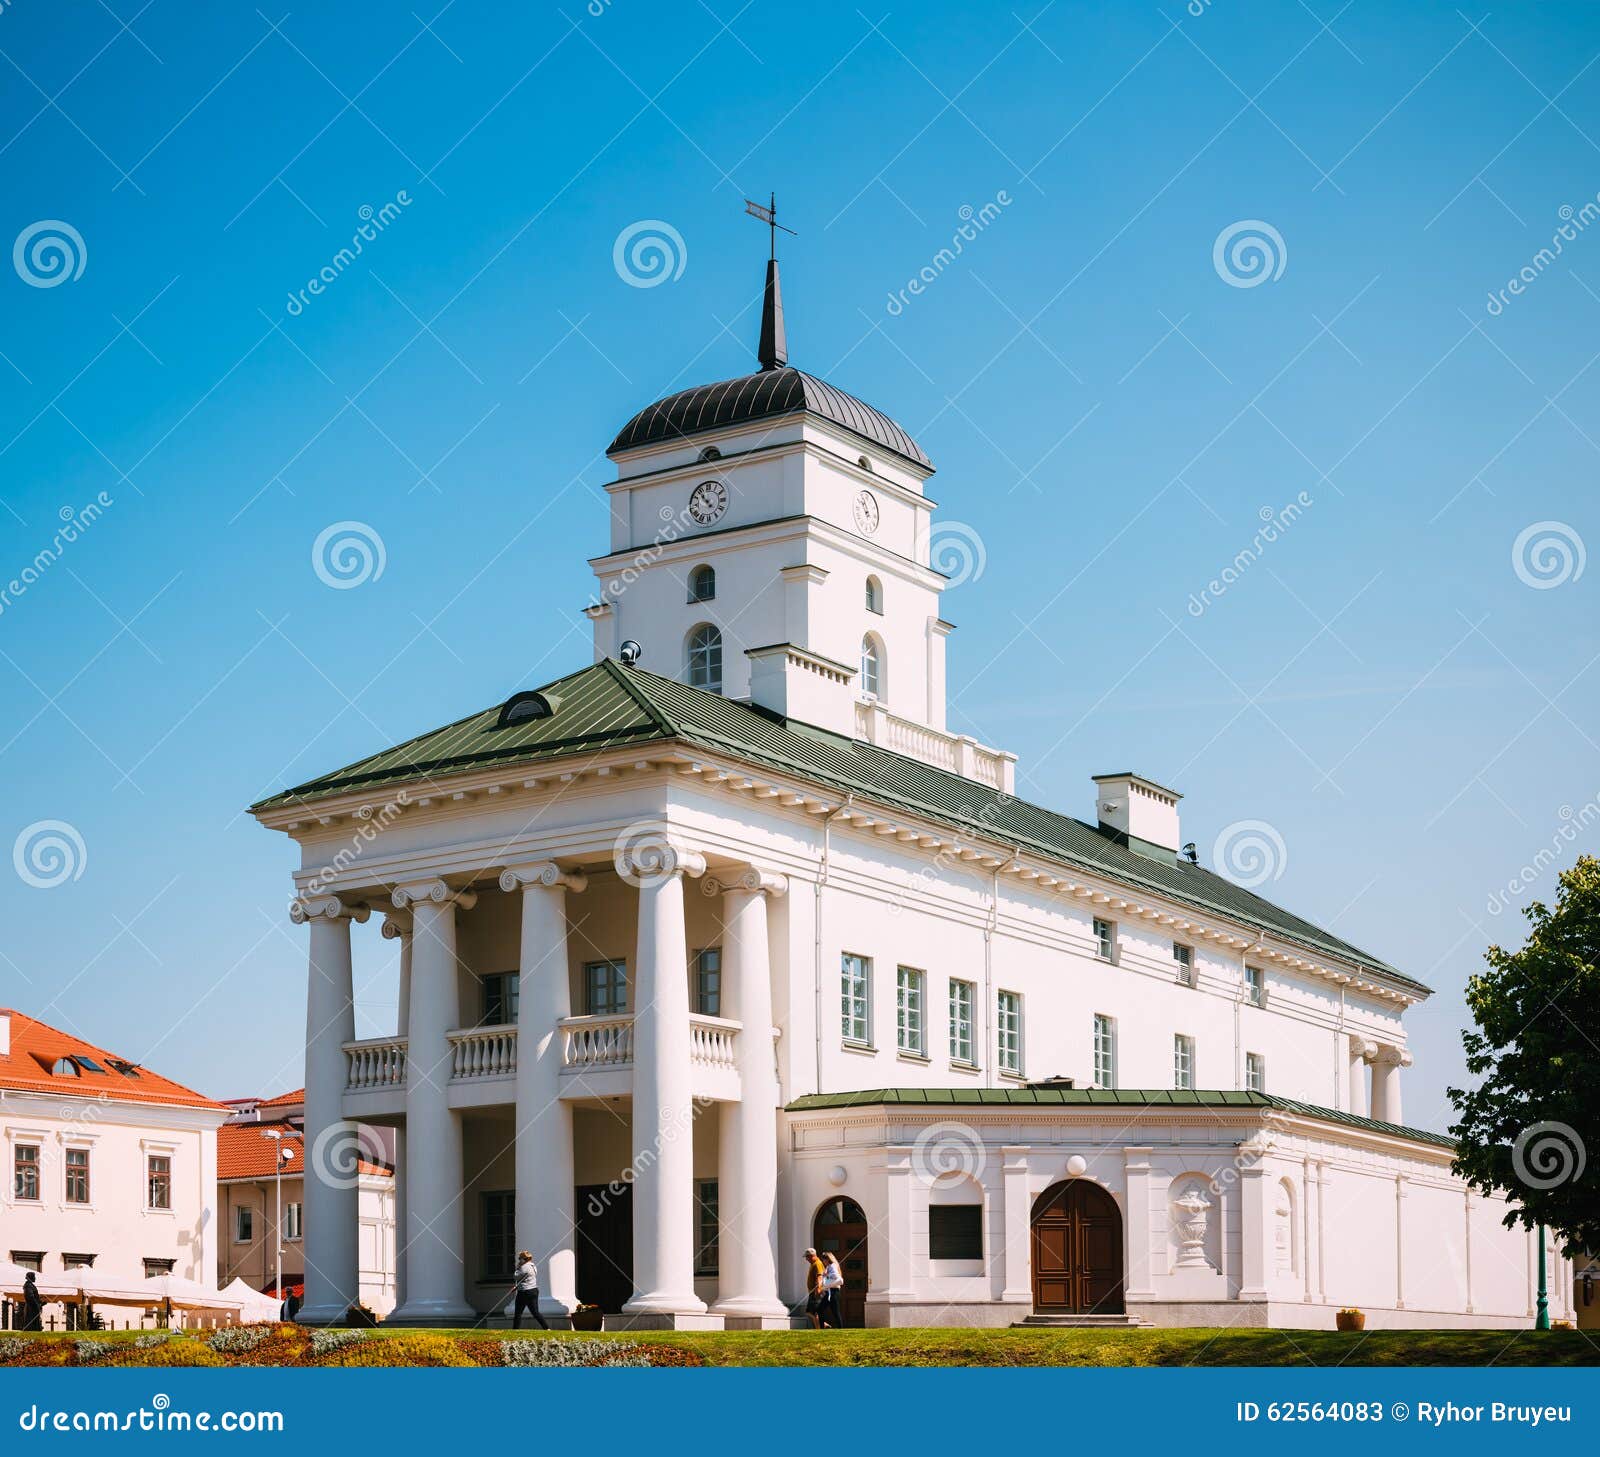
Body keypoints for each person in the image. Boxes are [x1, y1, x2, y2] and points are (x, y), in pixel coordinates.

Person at [511, 1250, 548, 1330]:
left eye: (519, 1258)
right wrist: (517, 1286)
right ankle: (546, 1328)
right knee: (535, 1312)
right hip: (533, 1290)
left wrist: (517, 1268)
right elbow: (526, 1279)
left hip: (524, 1292)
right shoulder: (533, 1266)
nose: (519, 1260)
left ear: (523, 1258)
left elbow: (516, 1276)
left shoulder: (523, 1267)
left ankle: (515, 1329)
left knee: (518, 1313)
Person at [802, 1247, 826, 1329]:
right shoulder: (813, 1264)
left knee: (813, 1312)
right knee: (810, 1312)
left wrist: (818, 1290)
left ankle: (819, 1328)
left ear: (812, 1256)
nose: (806, 1259)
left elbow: (819, 1277)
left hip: (816, 1291)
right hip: (812, 1291)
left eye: (807, 1257)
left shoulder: (817, 1263)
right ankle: (823, 1325)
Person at [821, 1251, 845, 1329]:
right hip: (832, 1291)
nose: (823, 1262)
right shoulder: (831, 1266)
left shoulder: (832, 1266)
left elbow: (835, 1275)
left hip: (833, 1292)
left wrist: (826, 1274)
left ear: (828, 1259)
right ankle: (823, 1327)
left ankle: (839, 1328)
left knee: (834, 1311)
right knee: (823, 1309)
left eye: (824, 1260)